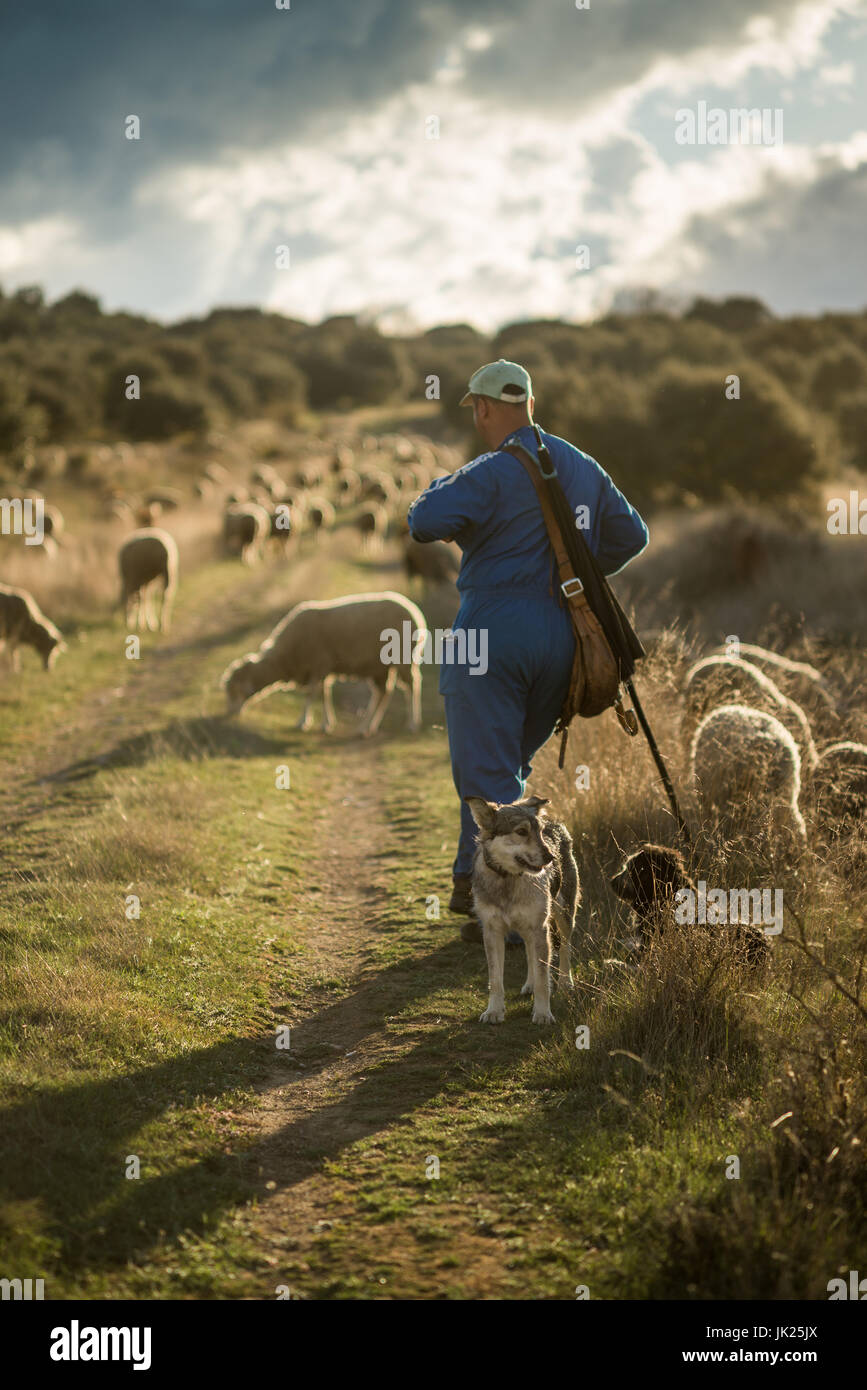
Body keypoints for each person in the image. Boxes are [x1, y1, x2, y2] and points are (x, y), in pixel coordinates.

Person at [407, 359, 649, 942]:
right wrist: (573, 576)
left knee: (486, 773)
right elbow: (632, 534)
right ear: (532, 406)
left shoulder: (488, 469)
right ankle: (494, 887)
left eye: (477, 411)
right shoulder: (581, 464)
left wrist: (446, 483)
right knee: (508, 770)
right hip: (564, 640)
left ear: (484, 409)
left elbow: (424, 520)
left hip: (489, 634)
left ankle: (501, 907)